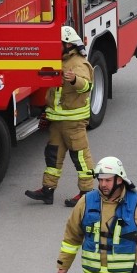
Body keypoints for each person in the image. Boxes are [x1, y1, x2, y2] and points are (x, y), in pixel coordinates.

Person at [26, 25, 94, 206]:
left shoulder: (78, 64)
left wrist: (74, 80)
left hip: (73, 122)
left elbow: (87, 86)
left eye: (57, 43)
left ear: (69, 45)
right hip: (57, 121)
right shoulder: (60, 61)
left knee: (80, 158)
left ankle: (87, 194)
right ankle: (47, 191)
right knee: (53, 156)